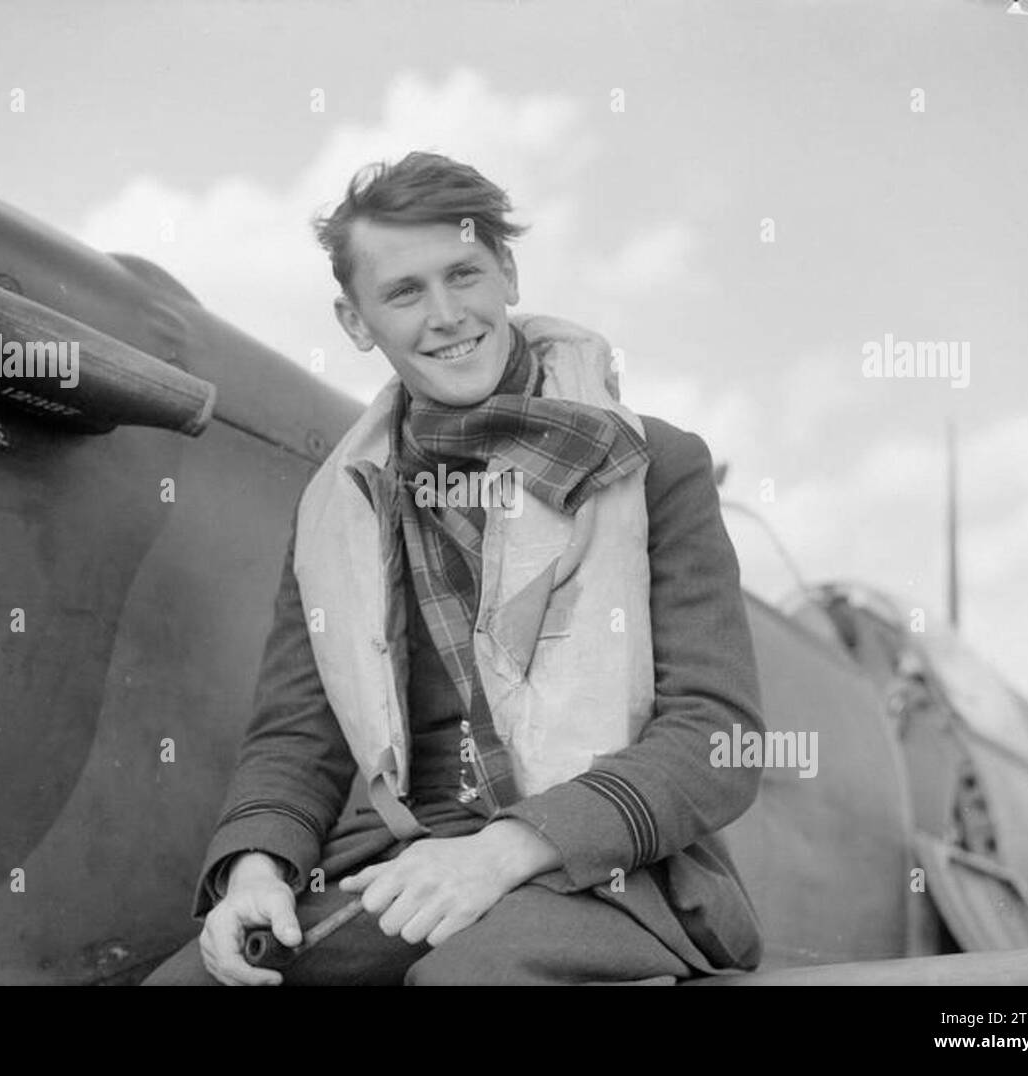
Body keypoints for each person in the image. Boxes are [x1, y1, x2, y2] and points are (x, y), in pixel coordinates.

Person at [145, 152, 766, 986]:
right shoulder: (337, 505)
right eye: (403, 292)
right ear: (356, 322)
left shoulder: (658, 465)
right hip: (408, 862)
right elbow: (300, 735)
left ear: (506, 272)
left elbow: (716, 738)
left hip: (610, 872)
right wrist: (256, 872)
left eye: (464, 274)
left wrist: (503, 852)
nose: (445, 315)